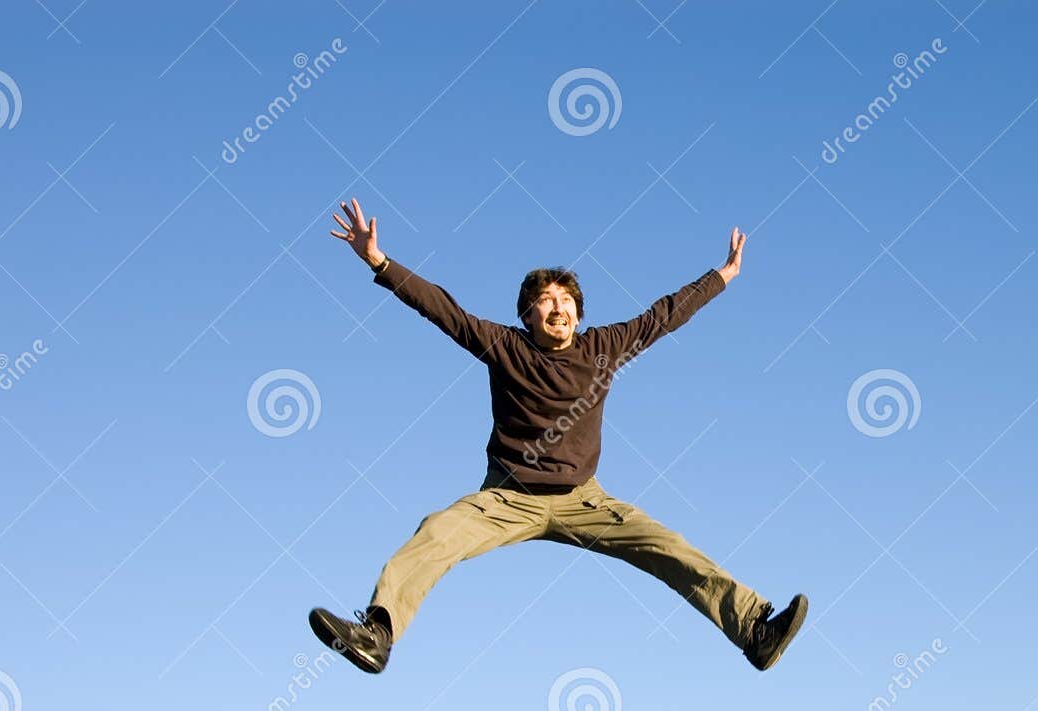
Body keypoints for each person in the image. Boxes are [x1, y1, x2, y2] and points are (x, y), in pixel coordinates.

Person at [308, 197, 807, 675]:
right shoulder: (505, 346)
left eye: (566, 300)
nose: (557, 307)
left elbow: (664, 315)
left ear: (579, 314)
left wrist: (722, 276)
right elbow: (444, 310)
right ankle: (376, 634)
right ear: (527, 315)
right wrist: (379, 260)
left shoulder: (603, 346)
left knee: (668, 546)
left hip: (581, 499)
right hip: (508, 497)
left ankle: (754, 631)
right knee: (437, 531)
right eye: (545, 300)